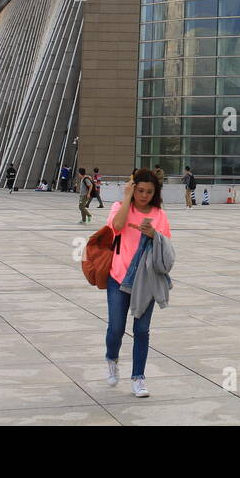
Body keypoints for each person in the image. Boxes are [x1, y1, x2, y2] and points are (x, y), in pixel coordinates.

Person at [105, 168, 172, 398]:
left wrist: (154, 234)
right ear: (133, 189)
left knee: (142, 330)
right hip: (118, 277)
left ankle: (138, 378)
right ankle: (112, 359)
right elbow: (115, 226)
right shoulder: (119, 207)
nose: (144, 195)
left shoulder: (159, 215)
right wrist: (126, 198)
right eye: (140, 190)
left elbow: (166, 248)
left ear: (156, 193)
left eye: (149, 192)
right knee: (116, 328)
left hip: (146, 280)